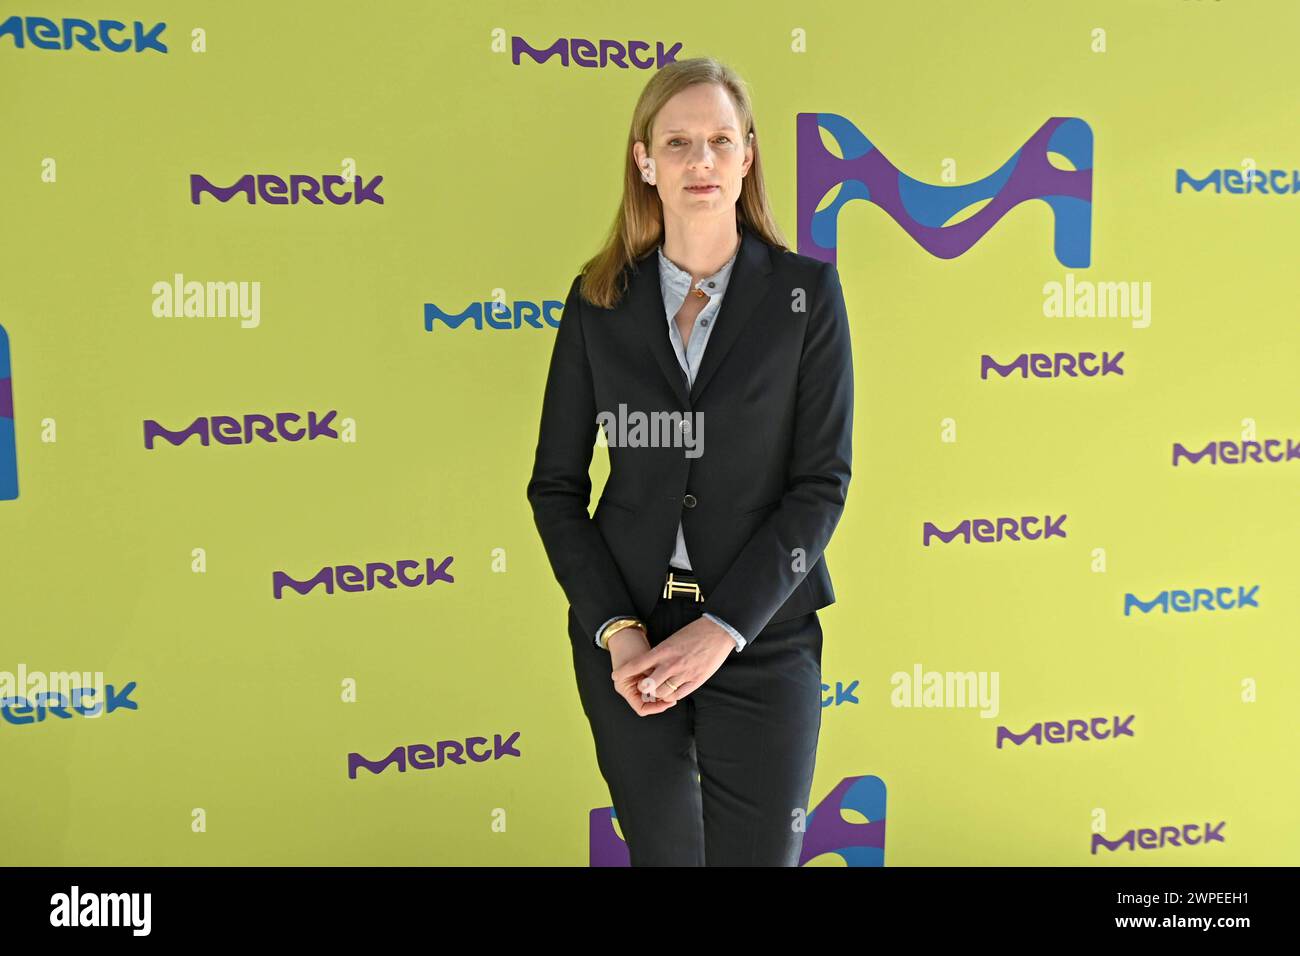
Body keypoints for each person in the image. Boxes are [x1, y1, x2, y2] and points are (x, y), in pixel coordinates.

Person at [526, 56, 853, 866]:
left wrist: (723, 628)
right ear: (645, 162)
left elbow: (821, 487)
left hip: (762, 634)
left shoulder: (806, 298)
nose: (700, 161)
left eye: (718, 140)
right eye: (677, 143)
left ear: (747, 155)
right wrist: (618, 631)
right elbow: (556, 489)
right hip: (630, 638)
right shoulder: (597, 302)